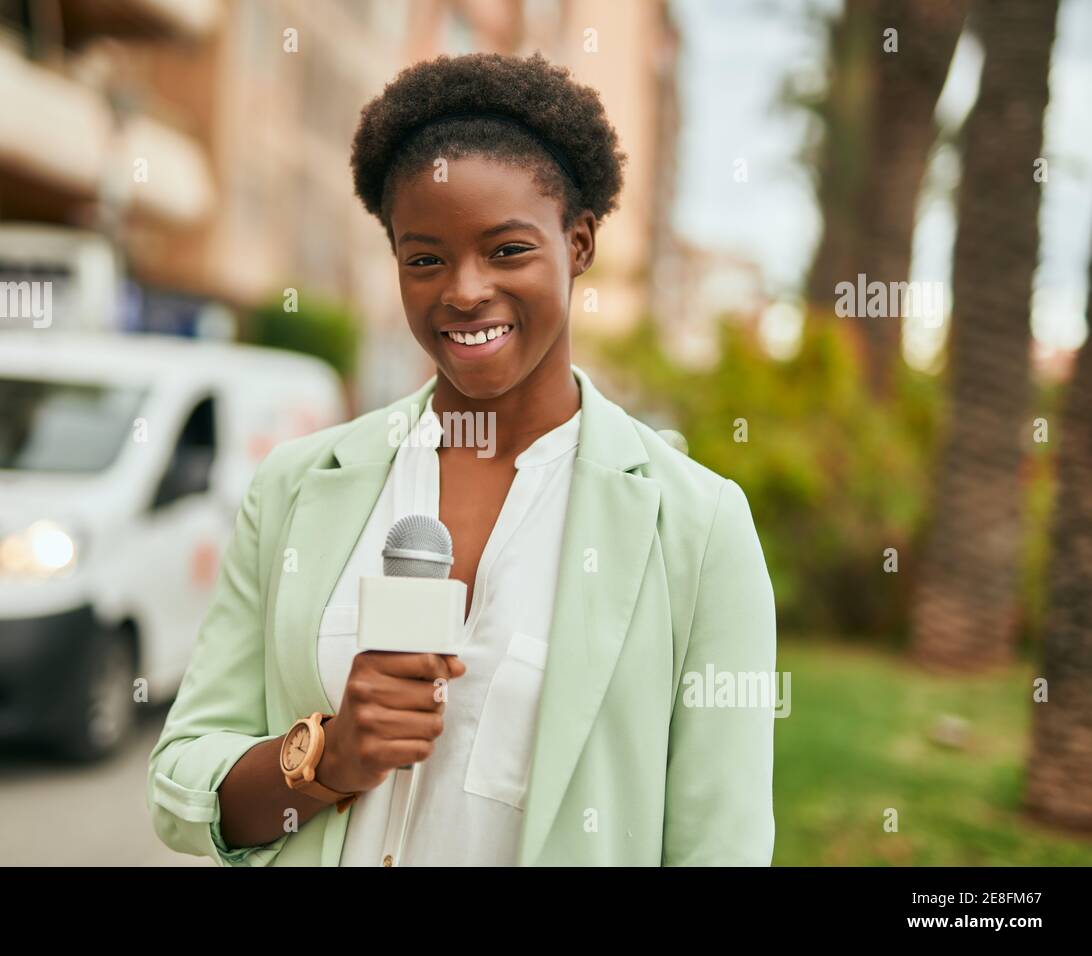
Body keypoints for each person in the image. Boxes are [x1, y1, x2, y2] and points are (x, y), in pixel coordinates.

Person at [147, 51, 776, 867]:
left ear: (577, 243)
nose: (464, 291)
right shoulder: (298, 488)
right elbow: (181, 781)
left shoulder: (695, 526)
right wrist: (328, 759)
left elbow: (718, 847)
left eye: (507, 250)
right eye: (425, 258)